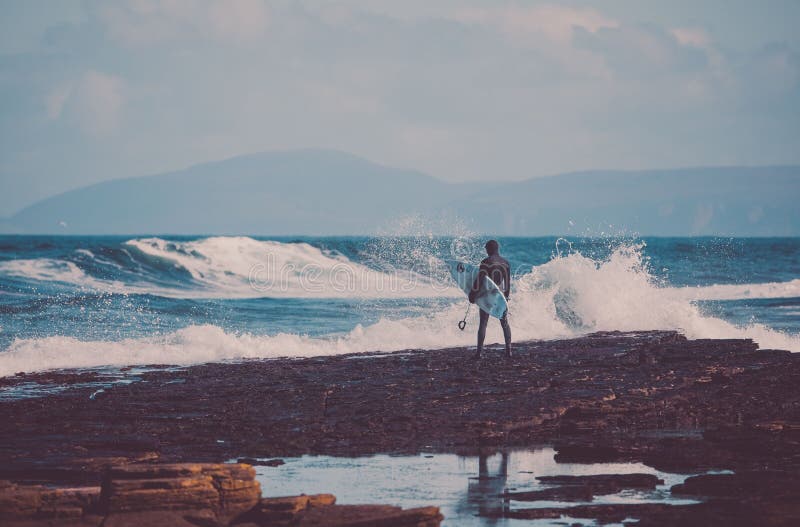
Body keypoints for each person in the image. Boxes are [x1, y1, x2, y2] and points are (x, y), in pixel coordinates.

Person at [468, 240, 512, 358]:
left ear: (488, 249)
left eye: (486, 249)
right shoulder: (506, 263)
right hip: (499, 295)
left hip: (487, 295)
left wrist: (472, 294)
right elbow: (507, 284)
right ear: (497, 249)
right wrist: (506, 298)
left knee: (483, 323)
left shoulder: (485, 262)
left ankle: (479, 352)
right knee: (504, 322)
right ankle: (509, 350)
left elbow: (479, 280)